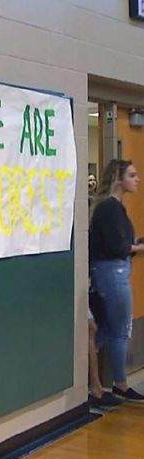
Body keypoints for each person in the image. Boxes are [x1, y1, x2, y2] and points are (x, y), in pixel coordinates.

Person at [89, 159, 144, 403]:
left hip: (114, 270)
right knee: (120, 330)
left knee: (110, 329)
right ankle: (120, 384)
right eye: (132, 175)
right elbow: (115, 246)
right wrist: (136, 247)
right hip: (112, 272)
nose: (137, 179)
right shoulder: (110, 208)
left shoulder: (114, 208)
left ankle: (91, 376)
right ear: (118, 179)